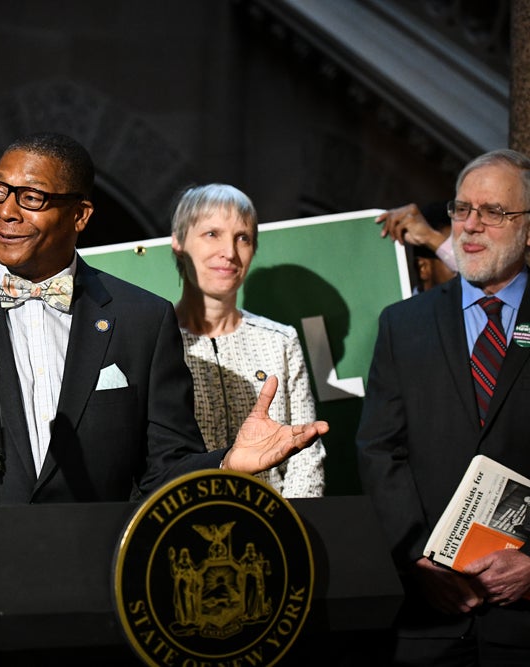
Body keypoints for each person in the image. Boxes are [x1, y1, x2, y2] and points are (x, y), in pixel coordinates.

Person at [0, 132, 327, 665]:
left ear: (79, 216)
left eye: (30, 197)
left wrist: (226, 464)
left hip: (86, 616)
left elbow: (162, 468)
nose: (6, 211)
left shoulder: (140, 320)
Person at [358, 148, 530, 665]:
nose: (471, 225)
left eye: (494, 212)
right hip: (429, 621)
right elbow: (378, 451)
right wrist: (417, 562)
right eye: (462, 209)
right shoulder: (402, 325)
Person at [169, 183, 326, 497]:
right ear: (178, 243)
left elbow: (306, 454)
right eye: (212, 234)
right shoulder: (153, 340)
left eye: (243, 238)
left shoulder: (281, 341)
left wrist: (287, 526)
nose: (229, 252)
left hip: (271, 527)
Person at [376, 201, 458, 293]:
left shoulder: (475, 304)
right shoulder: (400, 306)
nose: (467, 261)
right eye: (453, 254)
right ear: (423, 267)